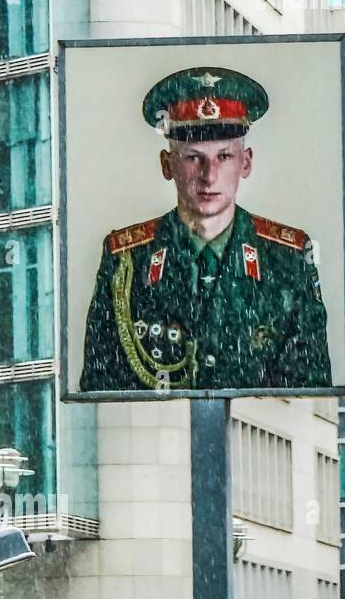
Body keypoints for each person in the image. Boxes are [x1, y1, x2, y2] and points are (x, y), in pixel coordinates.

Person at [79, 66, 331, 393]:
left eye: (224, 156)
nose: (208, 175)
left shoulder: (286, 258)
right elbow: (101, 386)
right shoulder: (128, 259)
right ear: (167, 165)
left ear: (246, 163)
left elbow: (310, 388)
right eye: (193, 158)